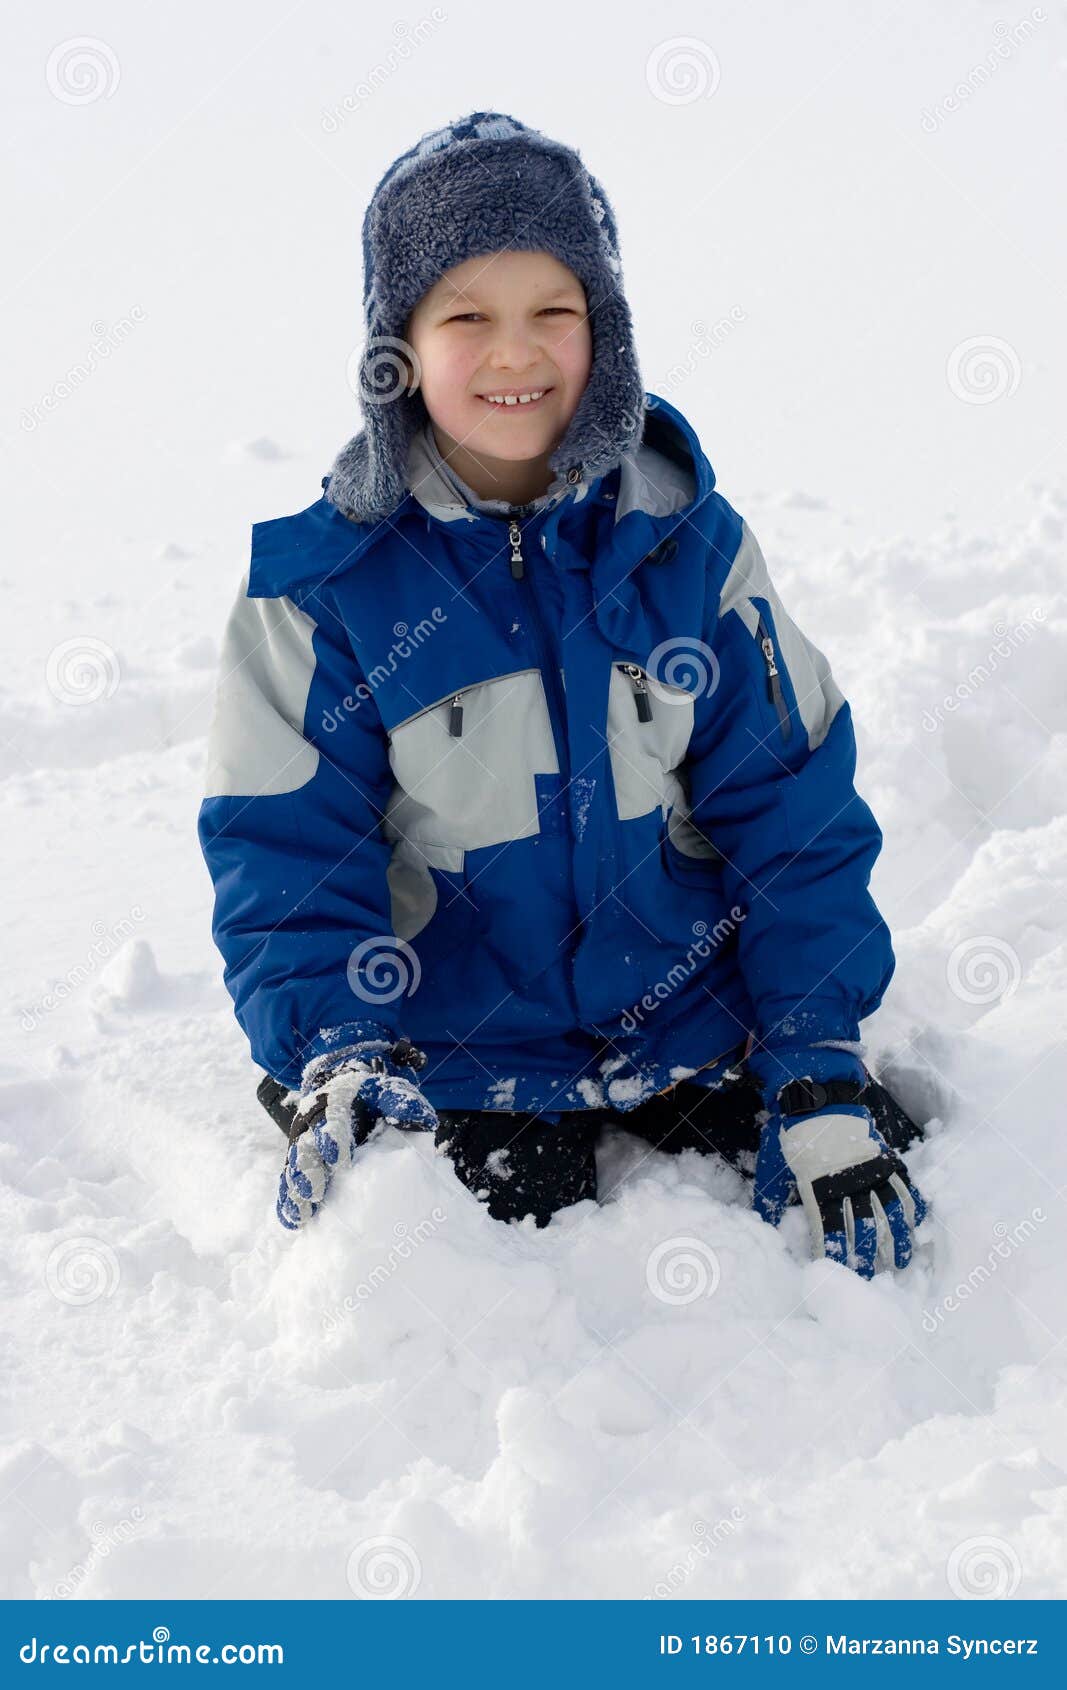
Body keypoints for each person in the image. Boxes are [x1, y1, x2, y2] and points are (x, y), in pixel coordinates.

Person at [198, 111, 928, 1278]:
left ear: (607, 331)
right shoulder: (325, 588)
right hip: (455, 1048)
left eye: (553, 311)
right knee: (481, 1275)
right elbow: (286, 847)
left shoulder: (683, 543)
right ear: (399, 346)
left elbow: (788, 807)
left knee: (846, 1206)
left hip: (695, 1027)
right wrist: (334, 1040)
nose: (513, 353)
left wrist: (815, 1049)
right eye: (465, 316)